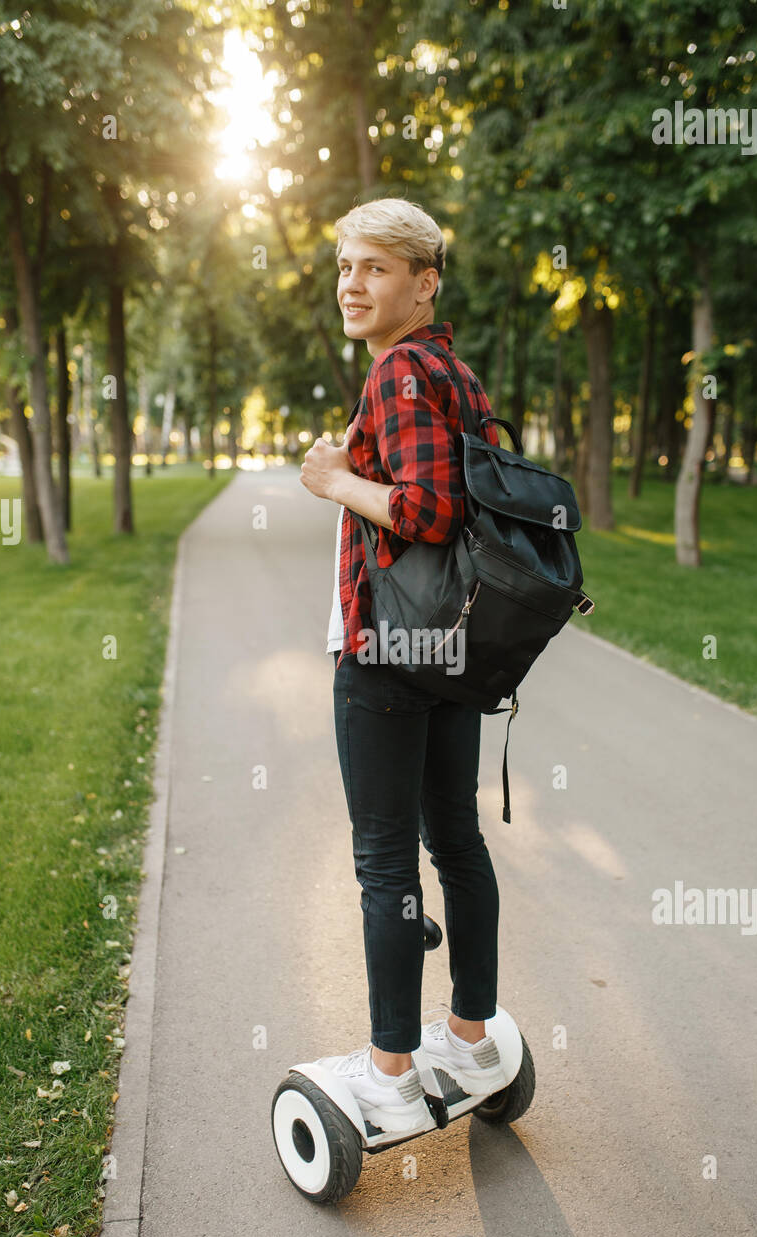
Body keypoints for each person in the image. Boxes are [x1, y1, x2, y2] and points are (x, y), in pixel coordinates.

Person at [300, 197, 507, 1135]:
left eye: (374, 269)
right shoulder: (458, 376)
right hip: (453, 649)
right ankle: (467, 1036)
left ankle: (388, 1071)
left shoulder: (397, 373)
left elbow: (426, 510)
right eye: (345, 267)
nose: (352, 284)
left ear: (423, 284)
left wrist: (333, 482)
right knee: (454, 840)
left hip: (387, 650)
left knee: (385, 861)